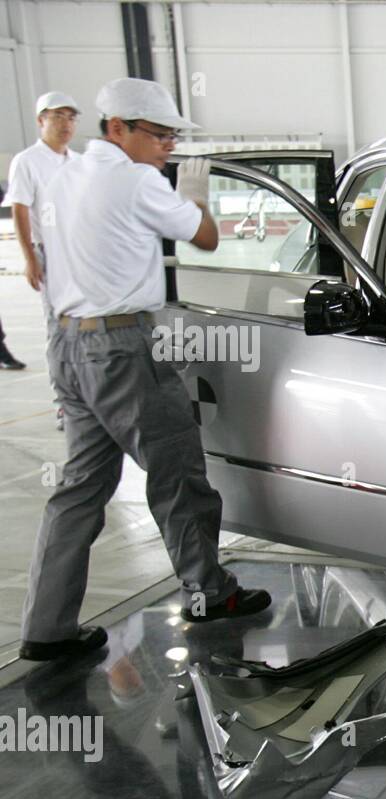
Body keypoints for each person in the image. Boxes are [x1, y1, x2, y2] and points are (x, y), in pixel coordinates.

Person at [19, 77, 270, 662]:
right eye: (158, 135)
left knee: (80, 489)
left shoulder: (62, 175)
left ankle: (46, 627)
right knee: (177, 473)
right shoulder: (131, 181)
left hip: (68, 343)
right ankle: (209, 592)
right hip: (123, 347)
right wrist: (196, 196)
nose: (167, 145)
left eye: (173, 135)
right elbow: (205, 237)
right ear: (116, 129)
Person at [6, 91, 83, 390]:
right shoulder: (27, 161)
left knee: (85, 328)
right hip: (50, 255)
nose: (66, 124)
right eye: (57, 116)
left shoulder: (77, 162)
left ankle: (82, 394)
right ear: (41, 121)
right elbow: (20, 209)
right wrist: (29, 258)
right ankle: (63, 400)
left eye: (71, 117)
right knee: (59, 328)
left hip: (79, 254)